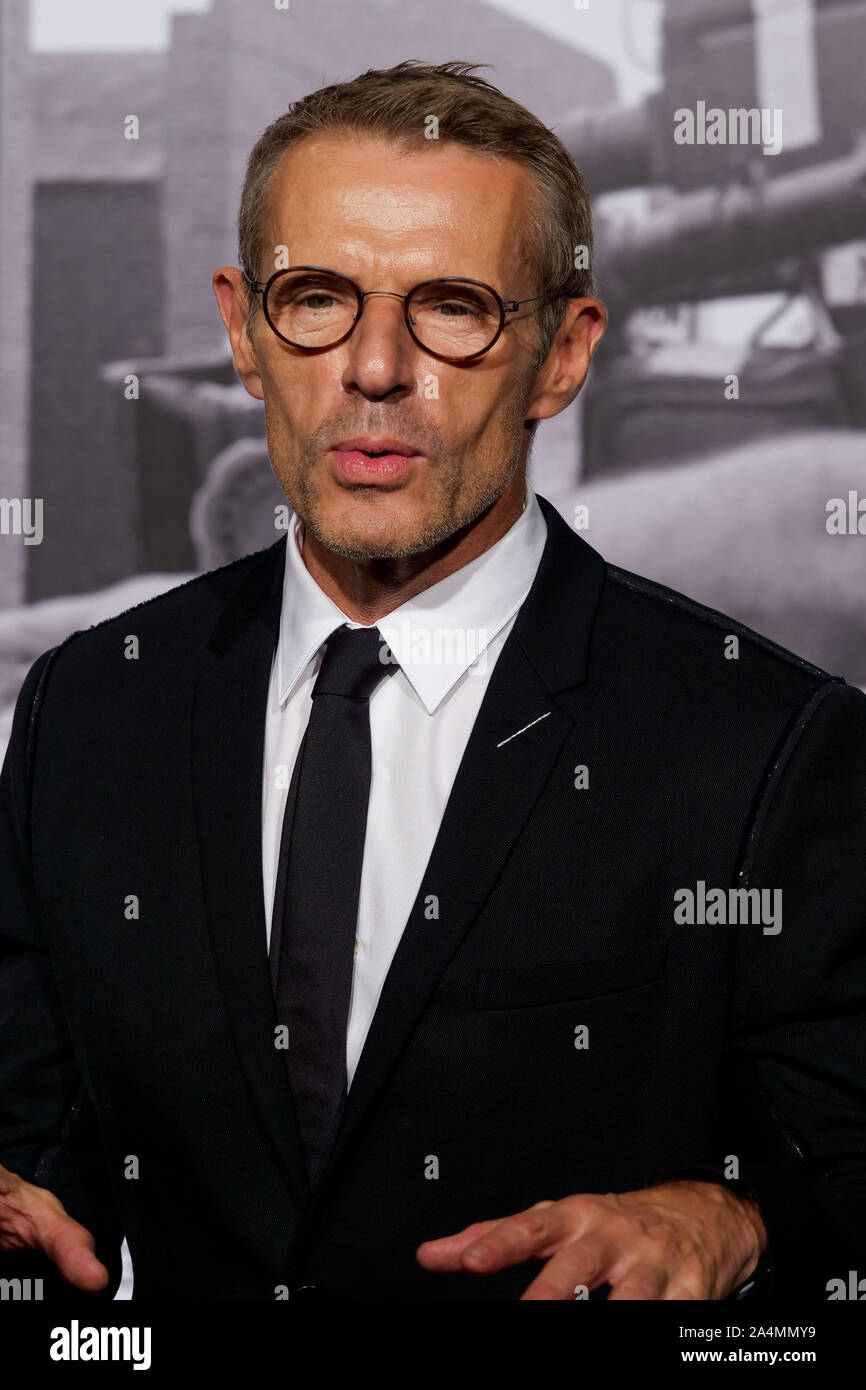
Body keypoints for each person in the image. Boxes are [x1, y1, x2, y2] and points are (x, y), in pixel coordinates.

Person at [1, 60, 864, 1302]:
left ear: (562, 355)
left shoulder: (758, 746)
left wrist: (736, 1217)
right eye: (316, 299)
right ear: (244, 331)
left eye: (453, 306)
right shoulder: (89, 712)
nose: (375, 366)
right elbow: (40, 1134)